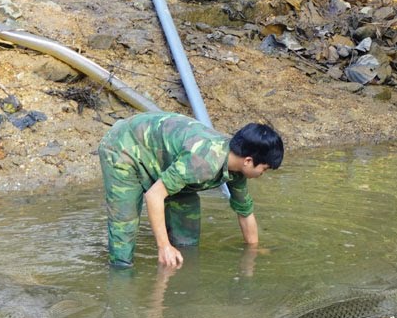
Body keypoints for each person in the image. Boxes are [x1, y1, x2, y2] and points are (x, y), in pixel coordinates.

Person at [97, 111, 284, 268]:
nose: (263, 174)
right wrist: (164, 246)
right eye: (264, 169)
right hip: (124, 147)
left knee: (187, 230)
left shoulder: (236, 169)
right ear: (248, 161)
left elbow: (244, 211)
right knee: (125, 223)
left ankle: (180, 272)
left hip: (165, 159)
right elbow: (154, 195)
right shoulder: (204, 161)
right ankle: (120, 275)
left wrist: (253, 252)